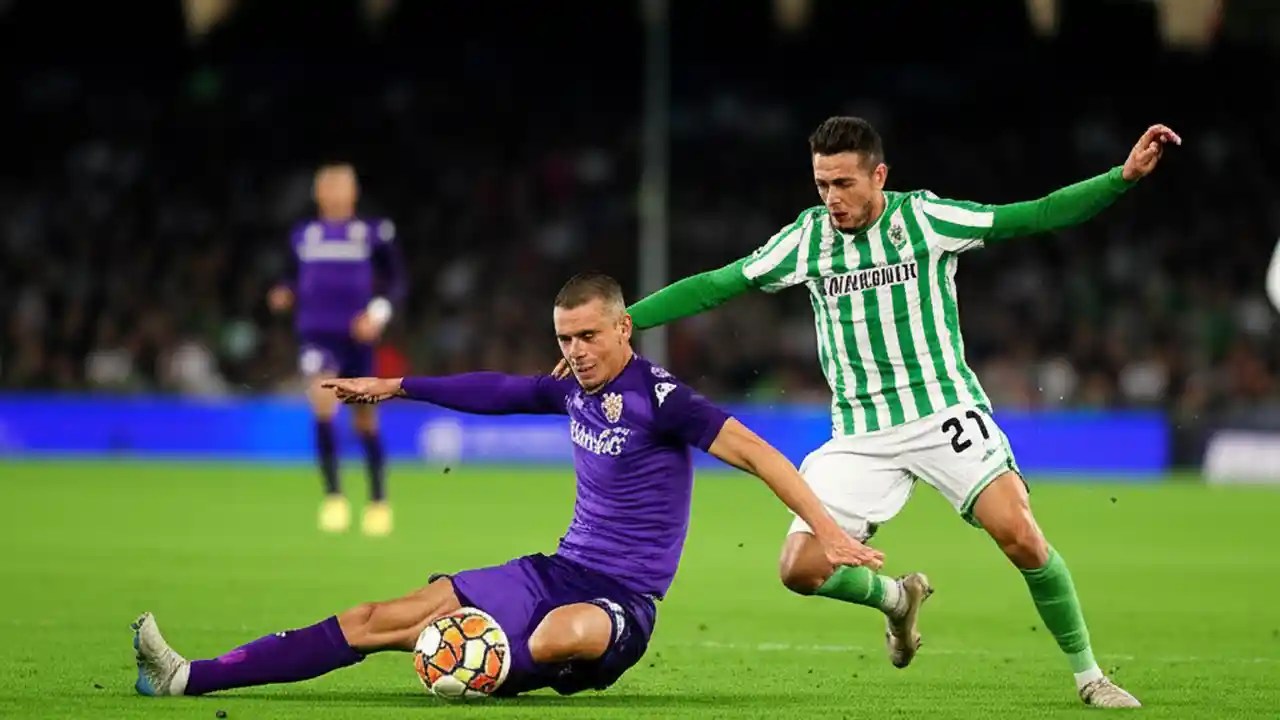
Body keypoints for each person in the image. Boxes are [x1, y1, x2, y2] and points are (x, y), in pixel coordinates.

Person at [570, 118, 1181, 708]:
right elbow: (716, 284)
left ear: (878, 176)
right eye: (821, 185)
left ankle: (1091, 677)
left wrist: (1119, 177)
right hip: (860, 432)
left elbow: (1035, 214)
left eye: (844, 183)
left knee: (1018, 532)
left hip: (942, 410)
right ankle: (897, 600)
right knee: (800, 567)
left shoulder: (926, 218)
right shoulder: (807, 239)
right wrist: (624, 323)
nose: (831, 198)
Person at [132, 272, 902, 699]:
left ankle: (476, 664)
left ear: (623, 329)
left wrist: (827, 530)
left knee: (557, 638)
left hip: (621, 602)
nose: (574, 351)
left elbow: (764, 455)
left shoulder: (666, 401)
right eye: (564, 338)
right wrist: (394, 387)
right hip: (552, 570)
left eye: (588, 336)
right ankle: (190, 677)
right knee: (381, 616)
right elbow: (495, 389)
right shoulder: (571, 385)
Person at [267, 163, 406, 536]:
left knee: (363, 419)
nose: (333, 191)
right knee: (323, 403)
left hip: (358, 339)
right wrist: (284, 292)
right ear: (318, 193)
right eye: (327, 185)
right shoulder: (303, 235)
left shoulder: (373, 233)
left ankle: (378, 499)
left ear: (353, 192)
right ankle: (334, 497)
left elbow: (396, 282)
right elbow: (290, 277)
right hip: (317, 335)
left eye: (341, 184)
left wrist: (376, 315)